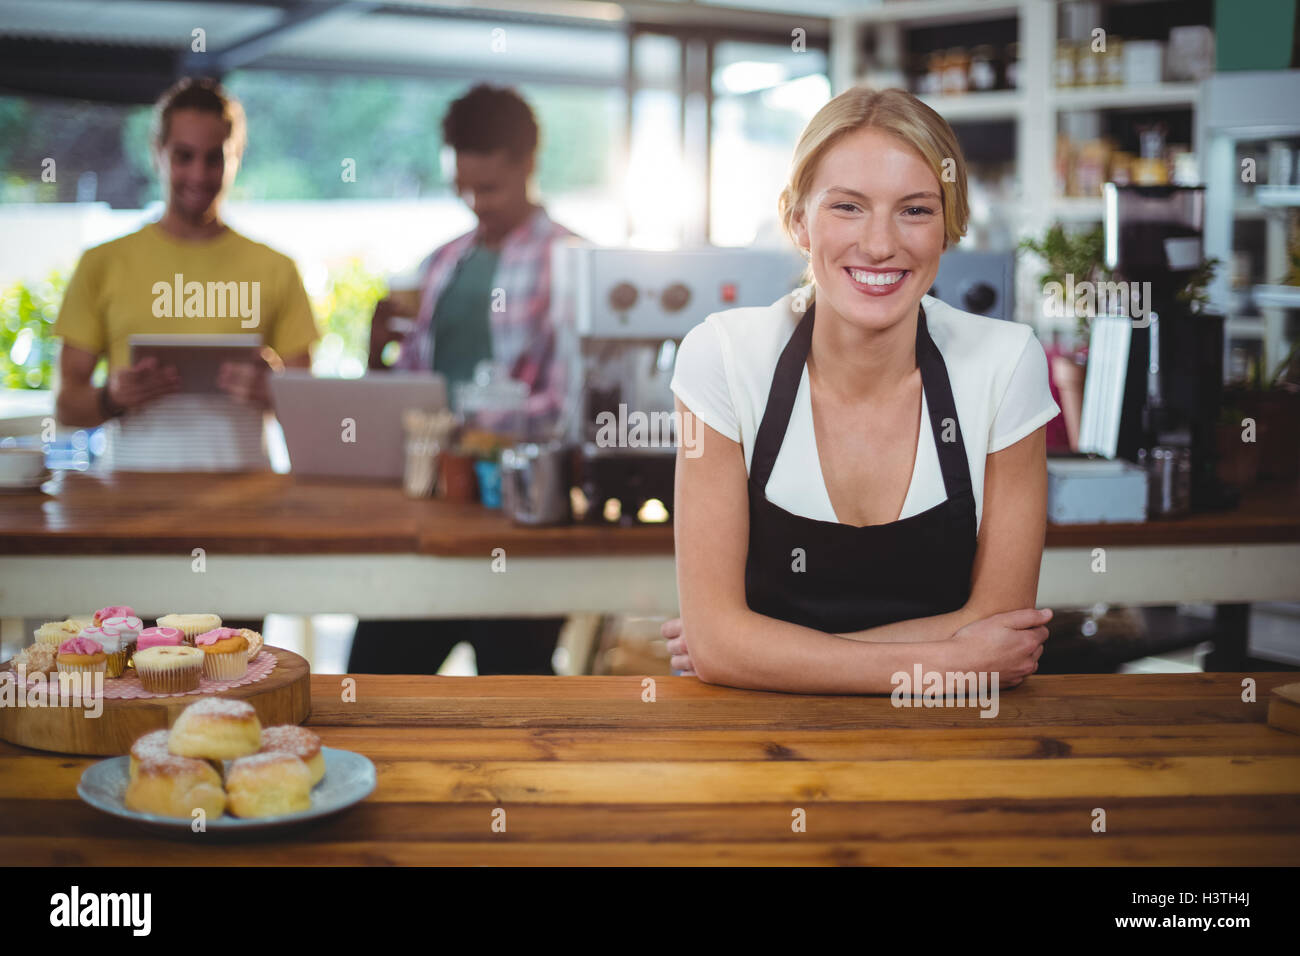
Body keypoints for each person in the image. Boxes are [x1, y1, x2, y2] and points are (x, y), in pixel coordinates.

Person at [662, 86, 1060, 692]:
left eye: (916, 210)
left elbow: (1000, 624)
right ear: (798, 220)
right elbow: (718, 645)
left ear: (949, 227)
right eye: (847, 207)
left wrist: (753, 649)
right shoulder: (721, 357)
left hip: (953, 746)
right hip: (756, 751)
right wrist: (956, 660)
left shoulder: (1006, 364)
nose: (879, 244)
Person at [348, 84, 576, 676]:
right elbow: (415, 385)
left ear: (528, 165)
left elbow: (570, 409)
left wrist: (468, 422)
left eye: (490, 188)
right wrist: (378, 365)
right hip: (434, 511)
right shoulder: (442, 262)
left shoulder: (574, 263)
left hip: (520, 519)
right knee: (371, 678)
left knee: (515, 696)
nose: (475, 202)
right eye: (462, 187)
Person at [54, 76, 318, 471]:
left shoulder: (277, 268)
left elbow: (311, 412)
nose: (198, 175)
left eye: (215, 158)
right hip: (129, 495)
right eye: (184, 156)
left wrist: (273, 389)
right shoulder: (102, 263)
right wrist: (111, 398)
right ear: (157, 152)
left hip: (246, 497)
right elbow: (65, 407)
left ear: (237, 156)